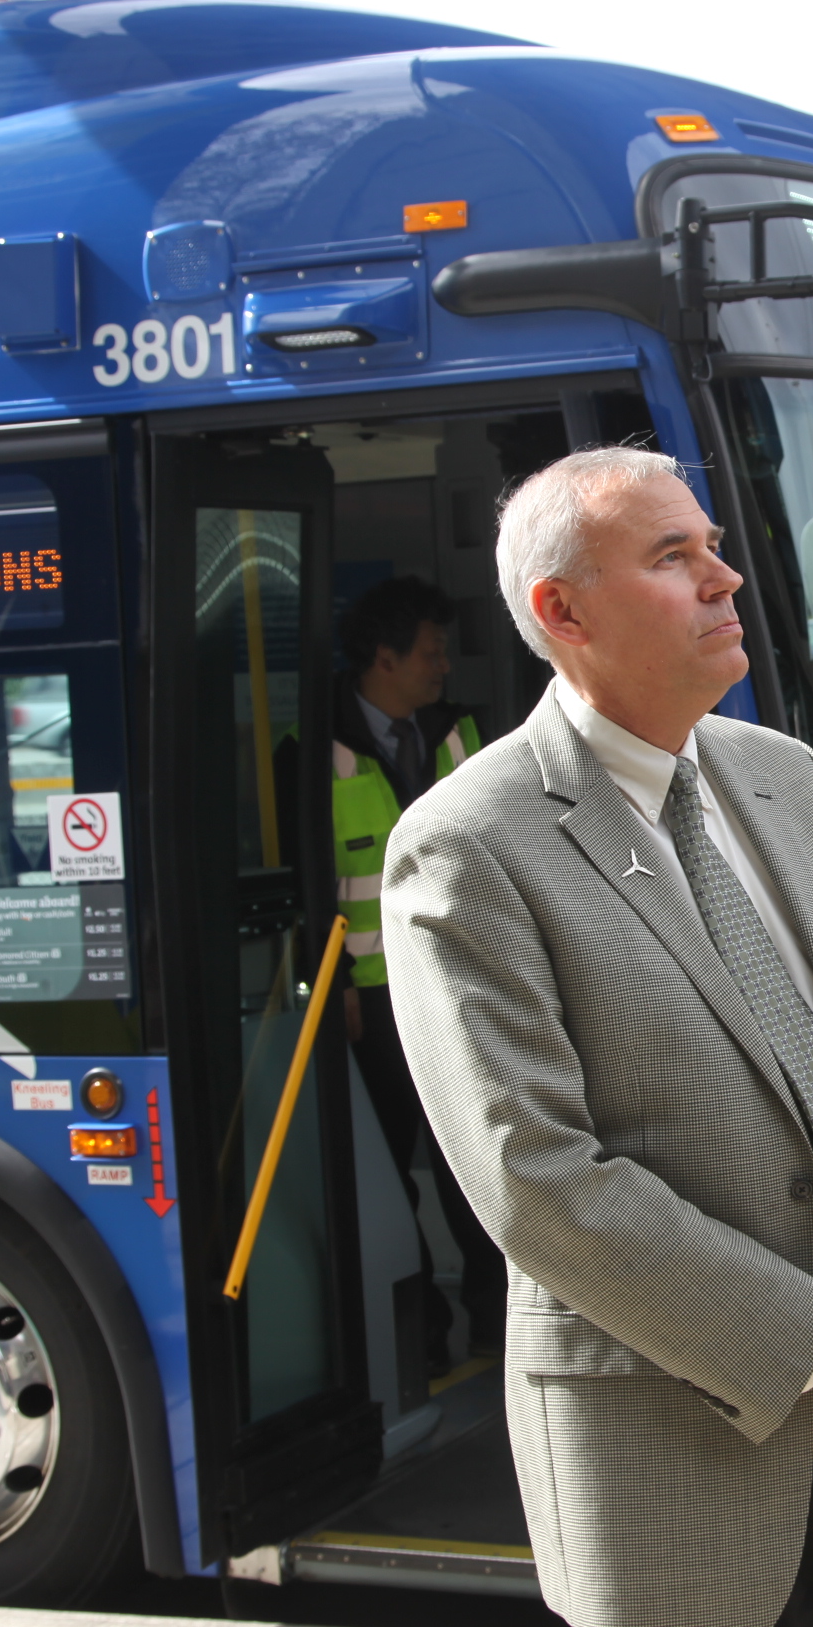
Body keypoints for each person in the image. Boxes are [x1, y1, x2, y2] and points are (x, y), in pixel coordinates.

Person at [380, 447, 813, 1627]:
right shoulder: (464, 844)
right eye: (673, 556)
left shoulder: (788, 777)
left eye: (712, 543)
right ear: (563, 611)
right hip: (675, 1470)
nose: (724, 575)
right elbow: (540, 1183)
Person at [314, 575, 505, 1369]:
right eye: (428, 654)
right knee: (387, 1174)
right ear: (383, 659)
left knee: (476, 1165)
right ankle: (418, 1341)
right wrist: (332, 996)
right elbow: (312, 885)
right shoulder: (310, 754)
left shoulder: (460, 734)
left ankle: (496, 1329)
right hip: (369, 1004)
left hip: (459, 989)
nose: (441, 669)